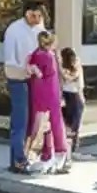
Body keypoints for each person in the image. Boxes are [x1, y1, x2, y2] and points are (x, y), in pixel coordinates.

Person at [2, 0, 46, 174]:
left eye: (39, 16)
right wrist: (23, 68)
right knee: (20, 119)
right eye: (33, 15)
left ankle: (22, 156)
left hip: (35, 78)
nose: (36, 19)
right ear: (26, 13)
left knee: (32, 121)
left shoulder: (40, 29)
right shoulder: (14, 30)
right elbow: (10, 57)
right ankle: (18, 159)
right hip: (18, 78)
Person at [27, 31, 70, 174]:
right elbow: (53, 76)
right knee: (55, 124)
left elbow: (32, 70)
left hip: (37, 93)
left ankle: (44, 153)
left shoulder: (35, 54)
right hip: (50, 94)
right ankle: (58, 154)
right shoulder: (49, 57)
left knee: (41, 125)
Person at [59, 47, 85, 154]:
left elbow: (62, 80)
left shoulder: (61, 68)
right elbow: (80, 84)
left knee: (66, 122)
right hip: (75, 95)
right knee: (76, 122)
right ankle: (73, 145)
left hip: (65, 95)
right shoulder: (77, 67)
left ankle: (66, 145)